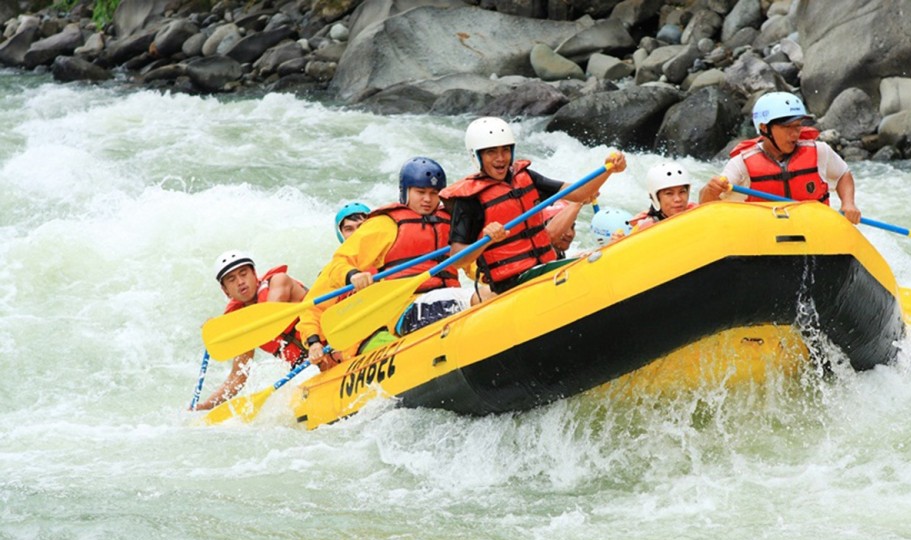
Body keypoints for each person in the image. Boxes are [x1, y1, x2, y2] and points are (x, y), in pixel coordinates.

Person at [297, 157, 462, 365]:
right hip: (364, 339)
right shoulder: (338, 269)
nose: (357, 233)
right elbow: (314, 306)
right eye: (349, 229)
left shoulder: (434, 228)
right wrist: (313, 341)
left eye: (361, 227)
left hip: (398, 318)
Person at [442, 116, 627, 300]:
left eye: (505, 150)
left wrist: (609, 170)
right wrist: (485, 239)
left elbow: (579, 193)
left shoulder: (526, 177)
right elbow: (457, 258)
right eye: (491, 152)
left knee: (595, 262)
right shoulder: (469, 199)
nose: (500, 158)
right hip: (512, 282)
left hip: (543, 267)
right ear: (477, 155)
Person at [699, 92, 861, 224]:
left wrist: (848, 203)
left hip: (812, 231)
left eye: (798, 125)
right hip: (763, 238)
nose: (795, 133)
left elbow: (843, 174)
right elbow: (706, 206)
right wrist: (710, 190)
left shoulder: (820, 151)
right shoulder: (741, 164)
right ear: (764, 128)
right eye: (787, 127)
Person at [194, 250, 310, 410]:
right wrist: (205, 406)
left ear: (254, 274)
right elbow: (238, 376)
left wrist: (224, 326)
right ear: (226, 290)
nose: (240, 282)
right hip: (309, 368)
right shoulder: (242, 320)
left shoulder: (278, 281)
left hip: (331, 345)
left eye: (244, 274)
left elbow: (270, 316)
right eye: (232, 279)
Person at [629, 161, 697, 231]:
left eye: (682, 192)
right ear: (655, 198)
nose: (678, 199)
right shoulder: (646, 229)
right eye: (669, 193)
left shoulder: (697, 213)